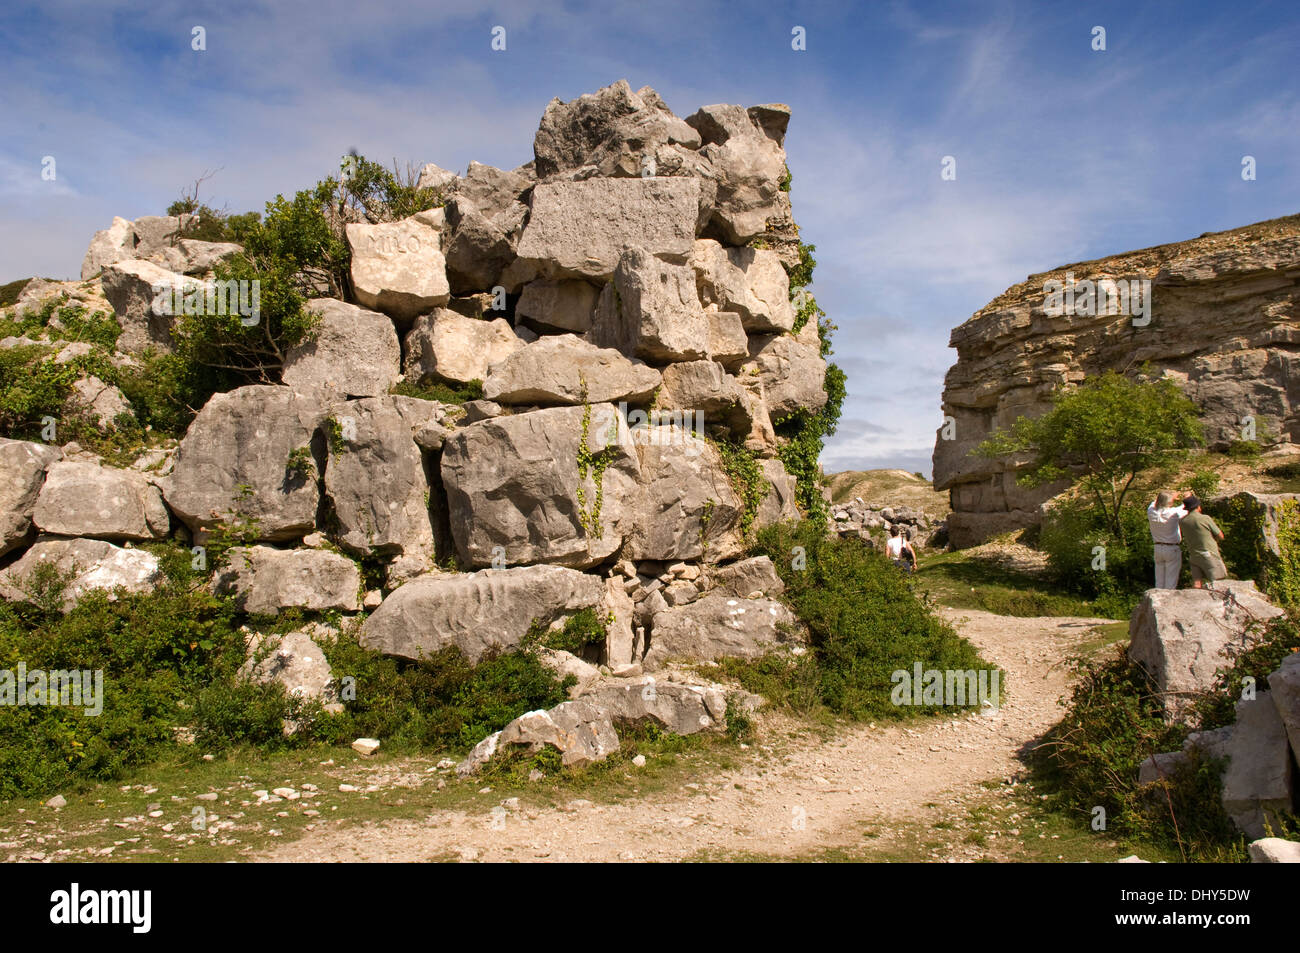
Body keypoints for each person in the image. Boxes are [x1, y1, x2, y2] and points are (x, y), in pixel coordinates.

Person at [1179, 495, 1227, 589]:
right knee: (1218, 581)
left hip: (1193, 555)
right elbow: (1220, 536)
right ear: (1198, 506)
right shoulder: (1205, 518)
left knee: (1197, 584)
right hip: (1208, 554)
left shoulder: (1182, 521)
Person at [1147, 491, 1187, 589]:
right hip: (1171, 548)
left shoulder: (1151, 511)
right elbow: (1187, 507)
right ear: (1169, 502)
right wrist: (1186, 496)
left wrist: (1168, 496)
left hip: (1157, 547)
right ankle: (1167, 602)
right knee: (1171, 581)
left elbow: (1154, 502)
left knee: (1159, 581)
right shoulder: (1173, 513)